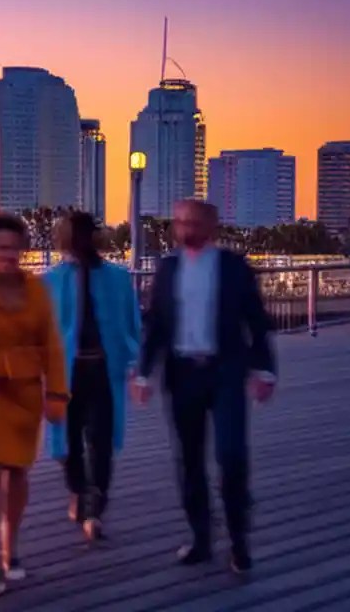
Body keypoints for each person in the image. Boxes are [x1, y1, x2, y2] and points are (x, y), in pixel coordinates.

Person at [133, 199, 276, 575]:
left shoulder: (234, 268)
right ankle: (200, 539)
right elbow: (156, 325)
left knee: (231, 457)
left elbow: (256, 320)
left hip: (225, 372)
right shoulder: (167, 269)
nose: (185, 229)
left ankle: (239, 542)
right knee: (189, 461)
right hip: (182, 376)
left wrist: (265, 370)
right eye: (179, 222)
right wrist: (144, 373)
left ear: (211, 226)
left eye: (192, 223)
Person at [0, 214, 66, 596]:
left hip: (25, 393)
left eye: (14, 247)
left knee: (18, 473)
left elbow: (52, 344)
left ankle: (11, 544)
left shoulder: (36, 290)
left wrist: (57, 393)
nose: (8, 255)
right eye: (0, 248)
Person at [42, 211, 141, 543]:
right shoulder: (52, 280)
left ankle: (94, 508)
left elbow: (131, 323)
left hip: (103, 368)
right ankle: (78, 491)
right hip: (64, 373)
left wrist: (134, 365)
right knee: (67, 442)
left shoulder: (116, 278)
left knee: (101, 441)